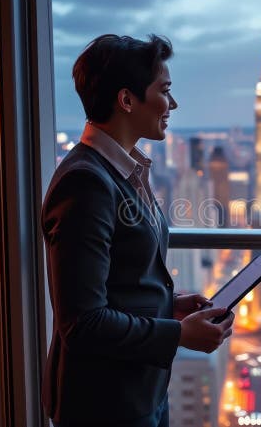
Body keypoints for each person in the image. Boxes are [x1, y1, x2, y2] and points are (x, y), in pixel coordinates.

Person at [41, 34, 234, 427]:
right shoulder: (86, 182)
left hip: (138, 390)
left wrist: (169, 305)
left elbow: (120, 279)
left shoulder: (123, 171)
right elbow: (82, 323)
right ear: (127, 100)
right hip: (105, 403)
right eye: (164, 91)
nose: (173, 104)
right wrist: (176, 335)